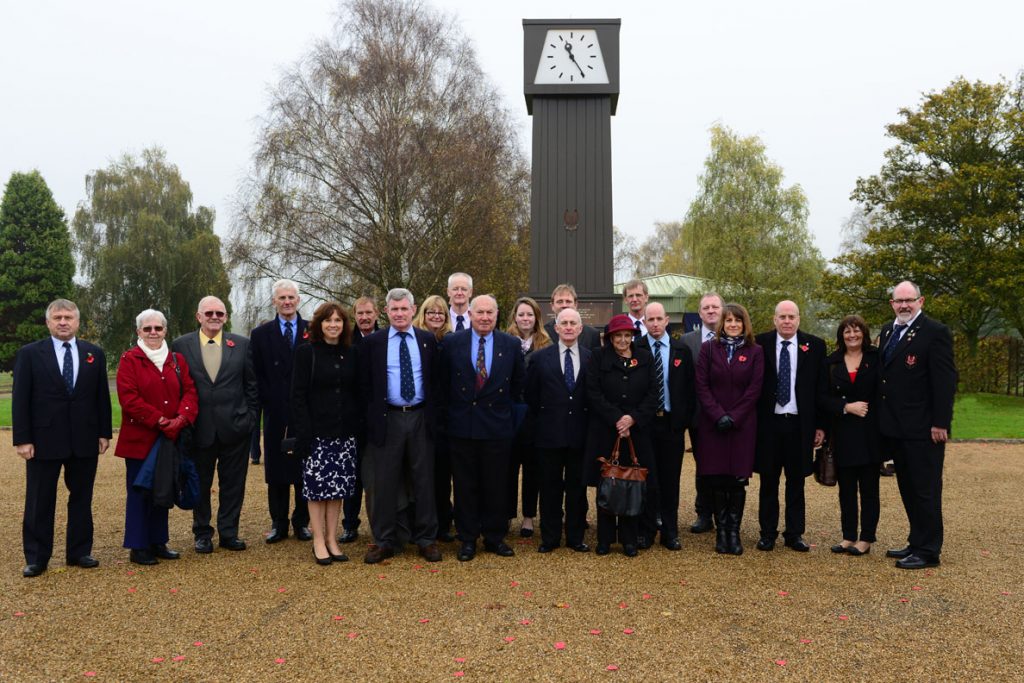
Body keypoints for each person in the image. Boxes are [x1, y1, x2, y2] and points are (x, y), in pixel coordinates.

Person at [13, 299, 112, 577]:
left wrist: (104, 432)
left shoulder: (94, 353)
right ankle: (37, 557)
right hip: (43, 439)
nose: (63, 322)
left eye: (68, 317)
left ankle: (79, 551)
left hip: (84, 438)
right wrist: (22, 438)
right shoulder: (30, 354)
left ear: (77, 322)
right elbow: (20, 399)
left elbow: (101, 396)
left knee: (82, 497)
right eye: (57, 318)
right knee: (39, 499)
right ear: (48, 322)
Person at [439, 294, 526, 561]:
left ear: (497, 315)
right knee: (464, 486)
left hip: (497, 428)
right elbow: (443, 385)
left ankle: (494, 537)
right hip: (462, 427)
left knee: (496, 485)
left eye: (490, 313)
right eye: (480, 312)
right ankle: (467, 539)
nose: (485, 317)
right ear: (470, 314)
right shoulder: (452, 342)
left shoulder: (511, 344)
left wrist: (508, 420)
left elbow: (518, 387)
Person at [171, 296, 259, 554]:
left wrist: (250, 418)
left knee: (233, 484)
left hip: (236, 427)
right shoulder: (181, 345)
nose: (214, 317)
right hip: (198, 428)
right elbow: (177, 386)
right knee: (200, 482)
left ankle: (229, 532)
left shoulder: (241, 344)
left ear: (226, 317)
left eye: (219, 313)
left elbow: (251, 385)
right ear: (198, 316)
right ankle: (202, 533)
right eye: (209, 313)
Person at [878, 281, 956, 570]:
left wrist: (940, 422)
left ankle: (929, 550)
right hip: (897, 428)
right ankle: (916, 540)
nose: (904, 305)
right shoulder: (888, 331)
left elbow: (945, 381)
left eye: (909, 300)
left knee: (925, 490)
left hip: (924, 428)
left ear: (920, 301)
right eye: (899, 301)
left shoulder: (935, 332)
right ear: (892, 304)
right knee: (908, 487)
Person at [360, 288, 441, 564]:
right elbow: (365, 385)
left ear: (413, 309)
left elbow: (436, 382)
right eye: (394, 309)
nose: (399, 314)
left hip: (420, 417)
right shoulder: (374, 343)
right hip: (388, 419)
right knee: (384, 482)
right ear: (386, 311)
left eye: (404, 308)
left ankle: (426, 539)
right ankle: (384, 540)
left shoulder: (427, 340)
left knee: (424, 480)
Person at [114, 309, 198, 565]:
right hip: (141, 438)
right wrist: (160, 420)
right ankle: (138, 546)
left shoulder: (177, 360)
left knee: (164, 488)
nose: (153, 332)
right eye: (147, 328)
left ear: (165, 331)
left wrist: (181, 419)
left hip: (170, 437)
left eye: (158, 328)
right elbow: (129, 398)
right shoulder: (130, 359)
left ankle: (158, 541)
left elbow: (190, 392)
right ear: (138, 331)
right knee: (140, 491)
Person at [290, 302, 361, 565]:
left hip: (345, 433)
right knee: (317, 490)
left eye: (338, 320)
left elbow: (356, 391)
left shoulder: (352, 352)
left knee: (337, 489)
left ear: (344, 325)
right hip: (316, 434)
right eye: (328, 320)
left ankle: (332, 538)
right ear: (319, 324)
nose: (333, 325)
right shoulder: (306, 352)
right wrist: (304, 431)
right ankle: (318, 540)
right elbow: (297, 395)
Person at [754, 300, 827, 553]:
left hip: (799, 424)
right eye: (782, 317)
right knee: (768, 482)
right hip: (769, 424)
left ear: (798, 319)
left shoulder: (815, 346)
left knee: (796, 482)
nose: (787, 321)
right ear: (774, 319)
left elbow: (821, 388)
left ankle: (794, 534)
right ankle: (767, 533)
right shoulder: (759, 344)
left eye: (791, 316)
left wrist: (821, 425)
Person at [585, 314, 660, 557]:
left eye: (627, 335)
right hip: (606, 430)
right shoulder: (598, 357)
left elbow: (653, 393)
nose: (623, 340)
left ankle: (629, 538)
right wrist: (617, 418)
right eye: (618, 336)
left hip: (637, 432)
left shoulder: (645, 357)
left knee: (632, 484)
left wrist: (632, 418)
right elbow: (593, 392)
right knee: (609, 482)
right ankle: (605, 538)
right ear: (610, 337)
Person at [693, 303, 764, 555]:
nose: (733, 324)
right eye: (729, 320)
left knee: (736, 480)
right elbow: (701, 385)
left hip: (742, 426)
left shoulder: (755, 351)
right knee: (717, 478)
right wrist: (718, 415)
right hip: (713, 425)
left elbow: (755, 389)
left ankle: (733, 533)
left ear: (745, 324)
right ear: (722, 323)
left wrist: (734, 417)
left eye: (738, 320)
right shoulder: (709, 349)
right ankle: (721, 533)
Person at [250, 279, 311, 544]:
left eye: (291, 297)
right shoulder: (260, 334)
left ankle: (302, 522)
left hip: (306, 411)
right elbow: (256, 374)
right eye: (282, 298)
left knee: (304, 468)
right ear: (274, 301)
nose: (287, 302)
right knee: (276, 470)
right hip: (275, 411)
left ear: (298, 300)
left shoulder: (312, 330)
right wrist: (266, 401)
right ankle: (278, 522)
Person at [526, 308, 591, 553]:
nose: (568, 327)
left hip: (579, 435)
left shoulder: (590, 358)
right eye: (564, 323)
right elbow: (532, 396)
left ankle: (575, 537)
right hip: (549, 434)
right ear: (556, 328)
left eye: (573, 323)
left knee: (577, 489)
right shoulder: (540, 358)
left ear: (580, 328)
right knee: (549, 488)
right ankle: (550, 537)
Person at [821, 315, 882, 556]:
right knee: (846, 489)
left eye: (857, 330)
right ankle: (848, 536)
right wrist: (846, 407)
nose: (852, 335)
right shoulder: (831, 362)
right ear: (841, 336)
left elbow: (885, 391)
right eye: (847, 331)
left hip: (871, 433)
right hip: (843, 433)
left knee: (869, 489)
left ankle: (866, 538)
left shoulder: (876, 358)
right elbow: (822, 397)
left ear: (864, 334)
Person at [642, 302, 696, 550]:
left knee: (670, 481)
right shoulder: (637, 349)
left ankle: (670, 531)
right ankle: (647, 530)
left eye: (658, 319)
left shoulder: (681, 350)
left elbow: (690, 389)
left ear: (666, 321)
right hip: (645, 425)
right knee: (647, 479)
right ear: (644, 322)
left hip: (671, 425)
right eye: (650, 319)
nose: (655, 324)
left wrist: (683, 422)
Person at [505, 296, 552, 538]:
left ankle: (528, 517)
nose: (525, 318)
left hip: (535, 415)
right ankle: (506, 514)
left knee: (533, 469)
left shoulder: (546, 343)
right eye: (521, 314)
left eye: (529, 314)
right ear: (515, 317)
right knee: (508, 468)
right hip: (509, 413)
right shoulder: (504, 341)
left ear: (536, 318)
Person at [412, 293, 455, 541]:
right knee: (418, 474)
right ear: (423, 314)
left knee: (441, 474)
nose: (436, 316)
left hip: (444, 417)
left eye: (441, 313)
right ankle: (417, 523)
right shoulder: (415, 339)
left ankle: (443, 523)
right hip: (419, 414)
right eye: (432, 312)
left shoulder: (451, 341)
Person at [681, 292, 724, 534]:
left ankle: (723, 513)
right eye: (706, 308)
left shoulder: (734, 338)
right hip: (698, 416)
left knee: (724, 465)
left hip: (727, 415)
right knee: (703, 465)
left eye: (714, 307)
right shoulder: (687, 341)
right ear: (699, 313)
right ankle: (703, 513)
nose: (710, 311)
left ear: (722, 310)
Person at [340, 295, 379, 544]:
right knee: (352, 475)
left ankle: (382, 524)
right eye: (360, 313)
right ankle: (350, 524)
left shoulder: (385, 338)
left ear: (377, 314)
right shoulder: (345, 341)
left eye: (368, 313)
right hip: (352, 418)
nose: (364, 318)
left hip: (378, 417)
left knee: (378, 476)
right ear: (354, 316)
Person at [543, 283, 602, 352]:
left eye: (568, 301)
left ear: (576, 305)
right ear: (552, 306)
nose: (564, 305)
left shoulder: (592, 334)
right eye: (560, 301)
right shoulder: (542, 332)